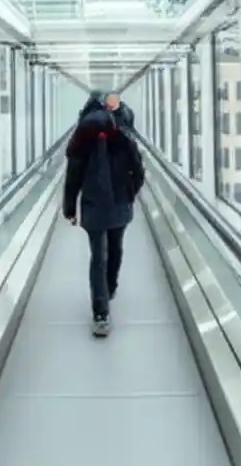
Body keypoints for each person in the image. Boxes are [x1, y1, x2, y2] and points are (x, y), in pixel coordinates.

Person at [63, 92, 145, 337]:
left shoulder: (82, 137)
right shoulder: (124, 133)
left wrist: (69, 207)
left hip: (93, 202)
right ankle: (110, 287)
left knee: (98, 255)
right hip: (121, 200)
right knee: (116, 246)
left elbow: (73, 175)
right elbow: (138, 167)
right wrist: (132, 191)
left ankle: (101, 312)